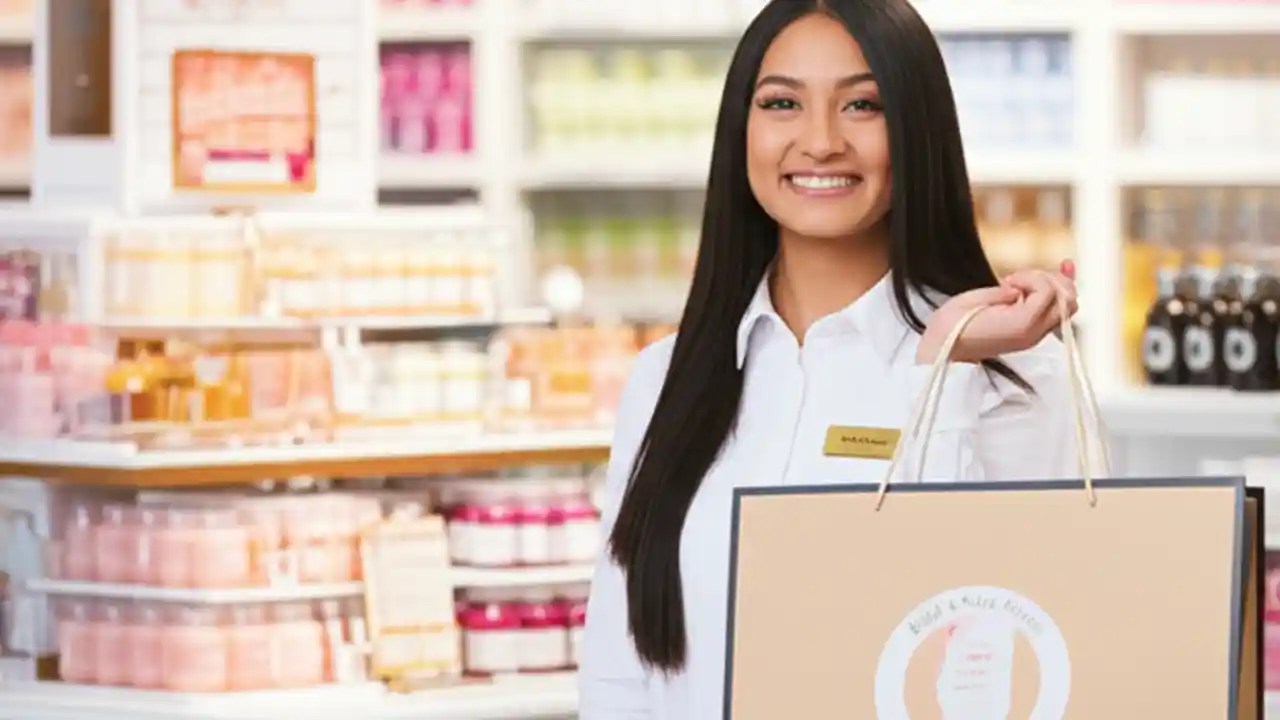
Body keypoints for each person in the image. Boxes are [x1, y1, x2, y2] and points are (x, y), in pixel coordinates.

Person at [578, 0, 1082, 717]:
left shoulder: (1015, 377)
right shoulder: (665, 379)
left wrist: (946, 366)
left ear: (917, 132)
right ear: (740, 130)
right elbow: (620, 667)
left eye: (863, 106)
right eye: (782, 102)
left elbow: (991, 647)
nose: (819, 142)